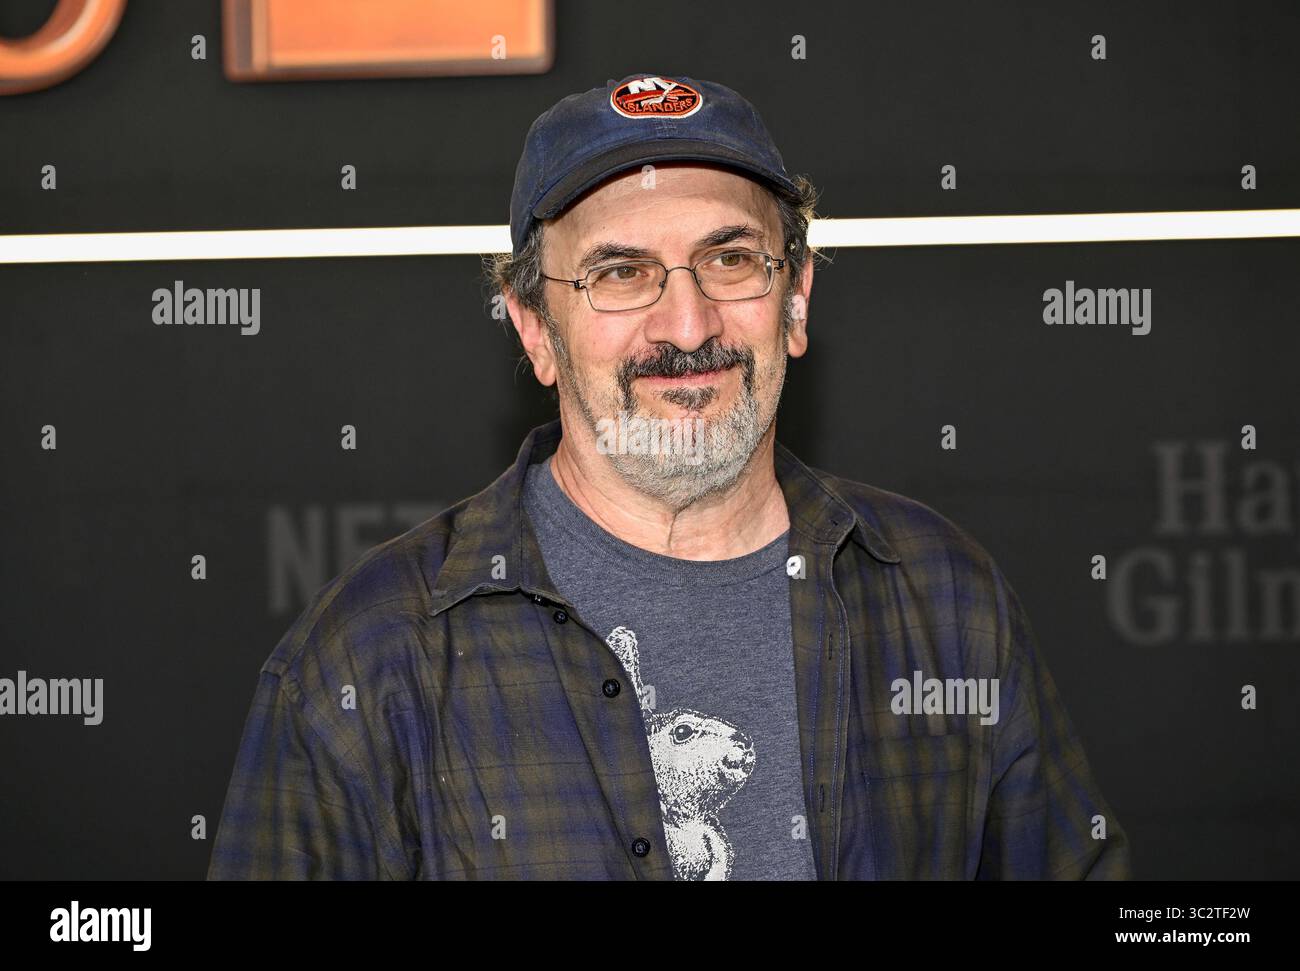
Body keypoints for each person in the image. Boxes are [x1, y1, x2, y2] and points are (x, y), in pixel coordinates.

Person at [207, 72, 1132, 880]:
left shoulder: (944, 601)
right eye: (621, 272)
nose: (688, 326)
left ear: (796, 299)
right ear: (535, 326)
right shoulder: (371, 658)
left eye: (732, 260)